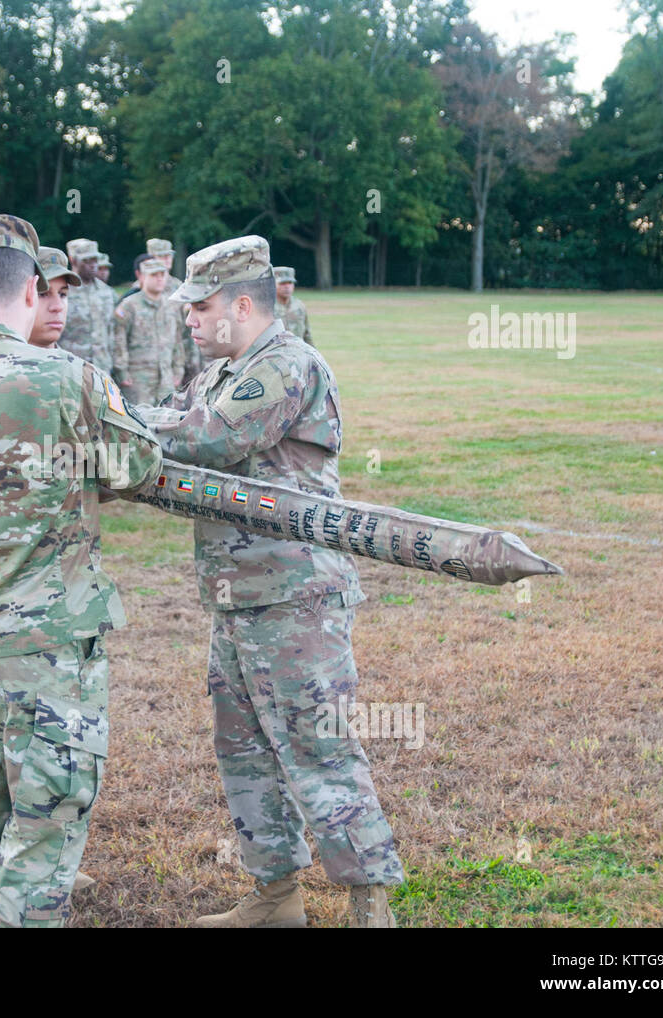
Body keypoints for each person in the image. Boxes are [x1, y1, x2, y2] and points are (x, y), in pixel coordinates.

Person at [0, 214, 161, 928]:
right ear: (28, 291)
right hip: (46, 635)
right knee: (47, 813)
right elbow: (137, 467)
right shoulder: (71, 378)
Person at [134, 235, 402, 929]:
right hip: (237, 594)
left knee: (319, 750)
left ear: (243, 304)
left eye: (200, 306)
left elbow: (204, 439)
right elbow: (171, 438)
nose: (187, 317)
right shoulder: (219, 372)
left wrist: (113, 417)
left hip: (296, 596)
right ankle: (276, 898)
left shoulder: (285, 366)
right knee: (244, 750)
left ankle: (370, 906)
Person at [112, 256, 186, 406]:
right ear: (143, 277)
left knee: (166, 419)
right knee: (138, 422)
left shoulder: (172, 306)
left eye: (162, 274)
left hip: (166, 377)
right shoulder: (129, 306)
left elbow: (178, 340)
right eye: (154, 275)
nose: (159, 279)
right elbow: (118, 341)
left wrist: (178, 370)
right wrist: (122, 372)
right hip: (137, 379)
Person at [59, 238, 115, 373]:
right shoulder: (62, 291)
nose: (93, 265)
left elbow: (112, 330)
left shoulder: (107, 292)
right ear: (73, 260)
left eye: (95, 260)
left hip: (102, 368)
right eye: (87, 260)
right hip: (71, 367)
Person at [274, 266, 313, 346]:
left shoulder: (299, 306)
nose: (287, 287)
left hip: (298, 352)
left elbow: (306, 334)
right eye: (282, 283)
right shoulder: (267, 308)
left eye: (290, 283)